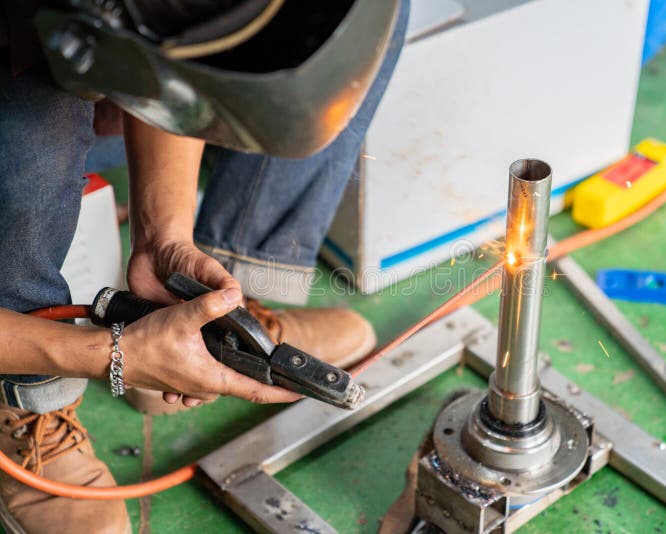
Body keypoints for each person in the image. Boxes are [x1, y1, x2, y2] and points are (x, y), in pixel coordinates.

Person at [0, 1, 409, 531]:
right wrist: (108, 354)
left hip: (91, 50)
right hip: (34, 82)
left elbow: (178, 68)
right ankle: (25, 398)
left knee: (341, 38)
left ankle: (213, 334)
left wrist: (165, 239)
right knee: (34, 127)